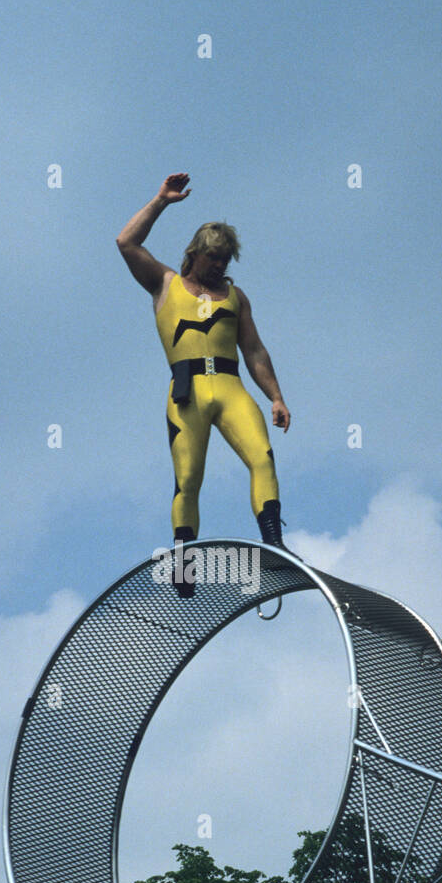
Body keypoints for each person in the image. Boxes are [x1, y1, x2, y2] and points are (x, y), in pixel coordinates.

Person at [116, 173, 291, 591]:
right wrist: (160, 200)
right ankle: (183, 561)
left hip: (231, 389)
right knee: (190, 477)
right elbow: (126, 243)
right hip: (188, 393)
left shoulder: (236, 297)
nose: (220, 266)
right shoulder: (165, 283)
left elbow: (254, 350)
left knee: (263, 459)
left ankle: (276, 545)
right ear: (196, 253)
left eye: (226, 260)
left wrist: (276, 397)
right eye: (214, 258)